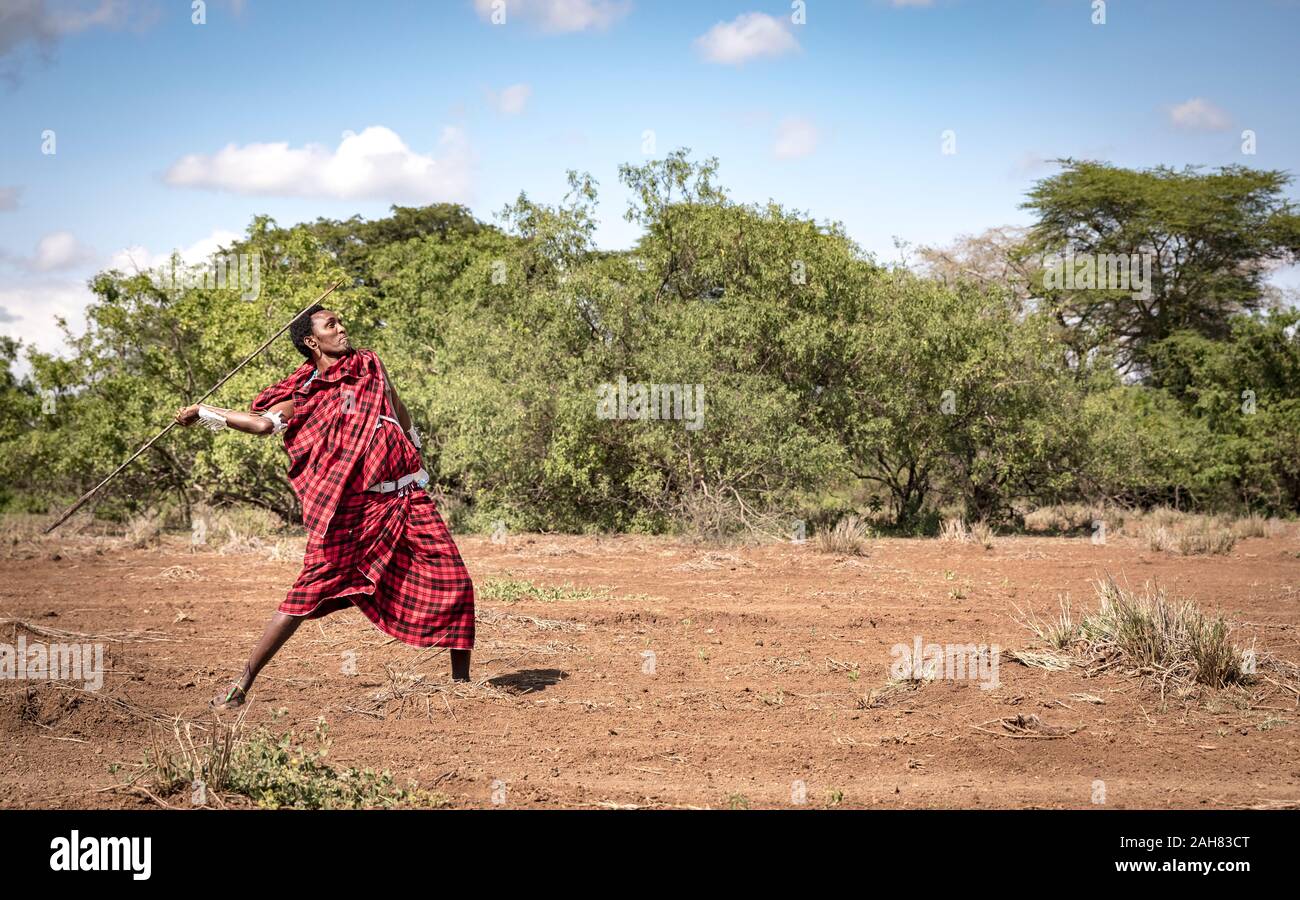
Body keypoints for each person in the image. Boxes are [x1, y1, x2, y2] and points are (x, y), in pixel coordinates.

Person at [174, 304, 474, 709]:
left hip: (406, 495)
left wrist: (413, 440)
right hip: (355, 511)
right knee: (305, 595)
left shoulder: (369, 364)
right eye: (331, 324)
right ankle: (241, 685)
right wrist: (207, 412)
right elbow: (262, 425)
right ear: (312, 341)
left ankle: (463, 687)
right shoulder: (304, 394)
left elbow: (396, 403)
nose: (342, 328)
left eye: (340, 321)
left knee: (455, 581)